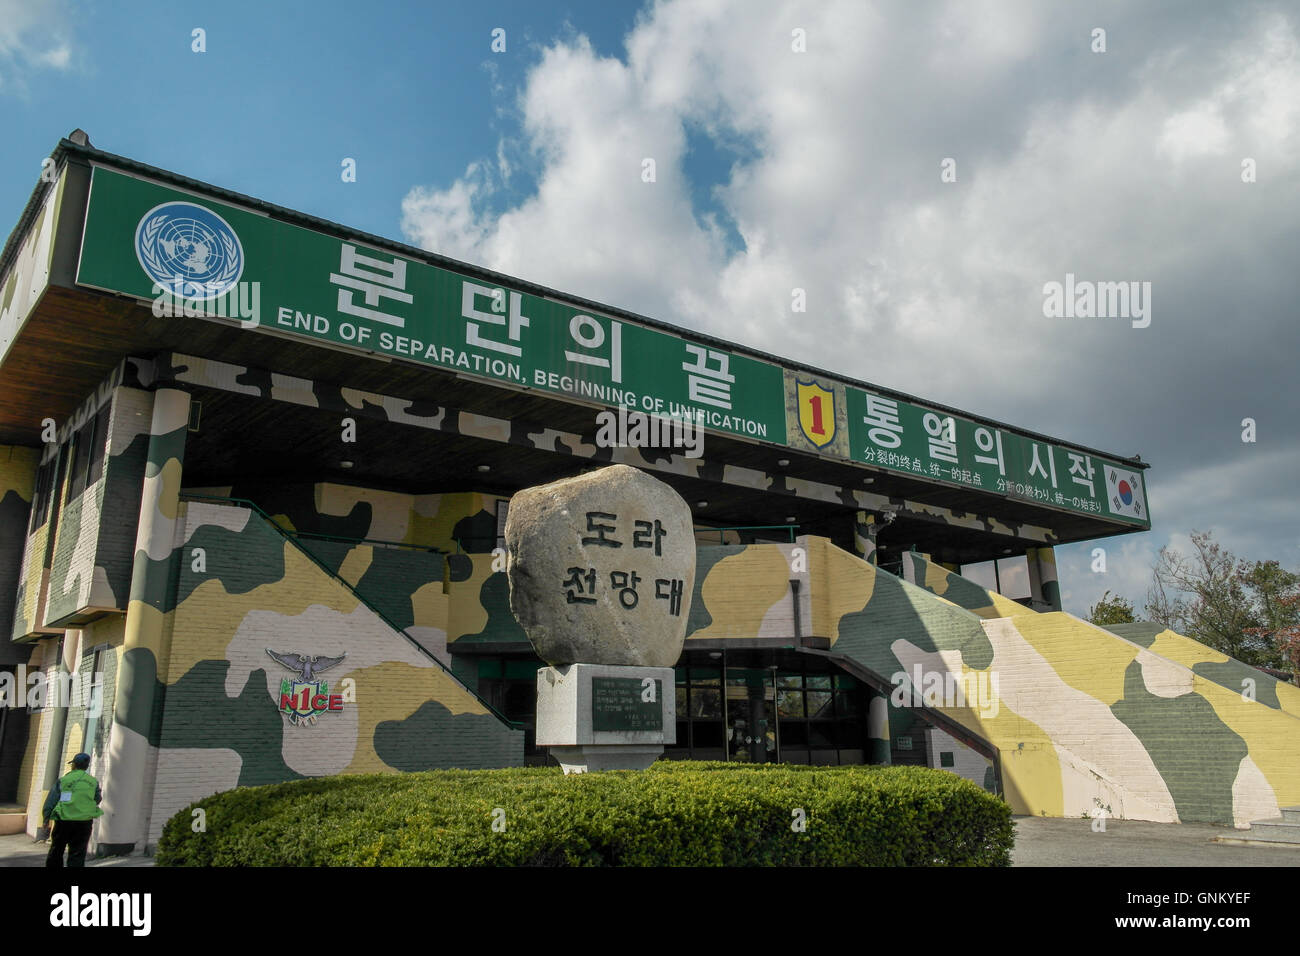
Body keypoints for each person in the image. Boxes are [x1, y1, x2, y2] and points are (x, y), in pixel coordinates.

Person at [43, 753, 103, 868]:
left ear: (74, 765)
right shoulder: (93, 782)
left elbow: (52, 800)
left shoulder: (64, 780)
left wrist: (46, 818)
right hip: (84, 822)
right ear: (86, 766)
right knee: (78, 852)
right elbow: (97, 798)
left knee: (57, 850)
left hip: (64, 820)